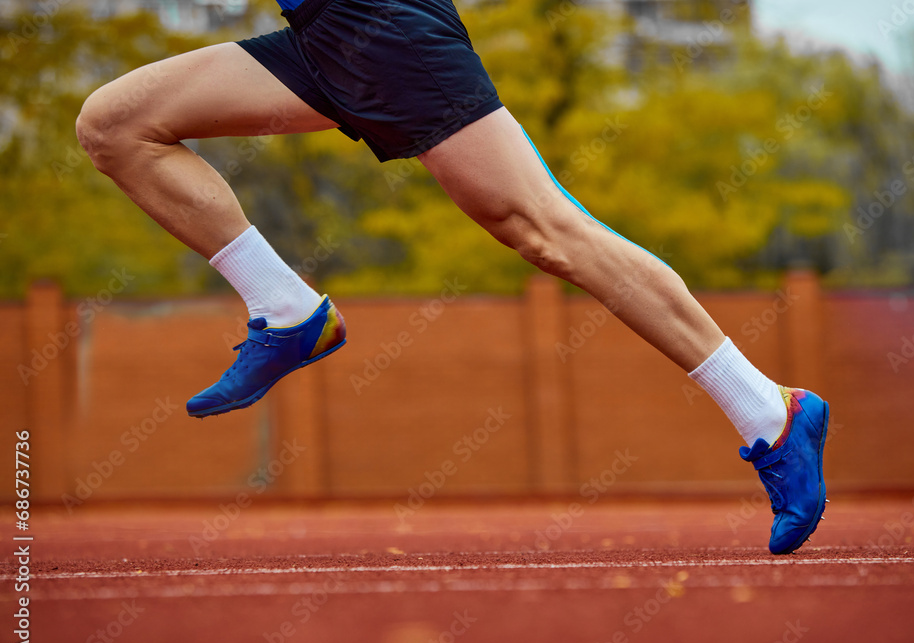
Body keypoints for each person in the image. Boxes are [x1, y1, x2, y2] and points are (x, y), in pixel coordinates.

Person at [75, 0, 829, 554]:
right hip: (319, 37)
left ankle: (769, 411)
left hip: (381, 23)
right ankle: (285, 308)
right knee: (114, 124)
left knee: (547, 231)